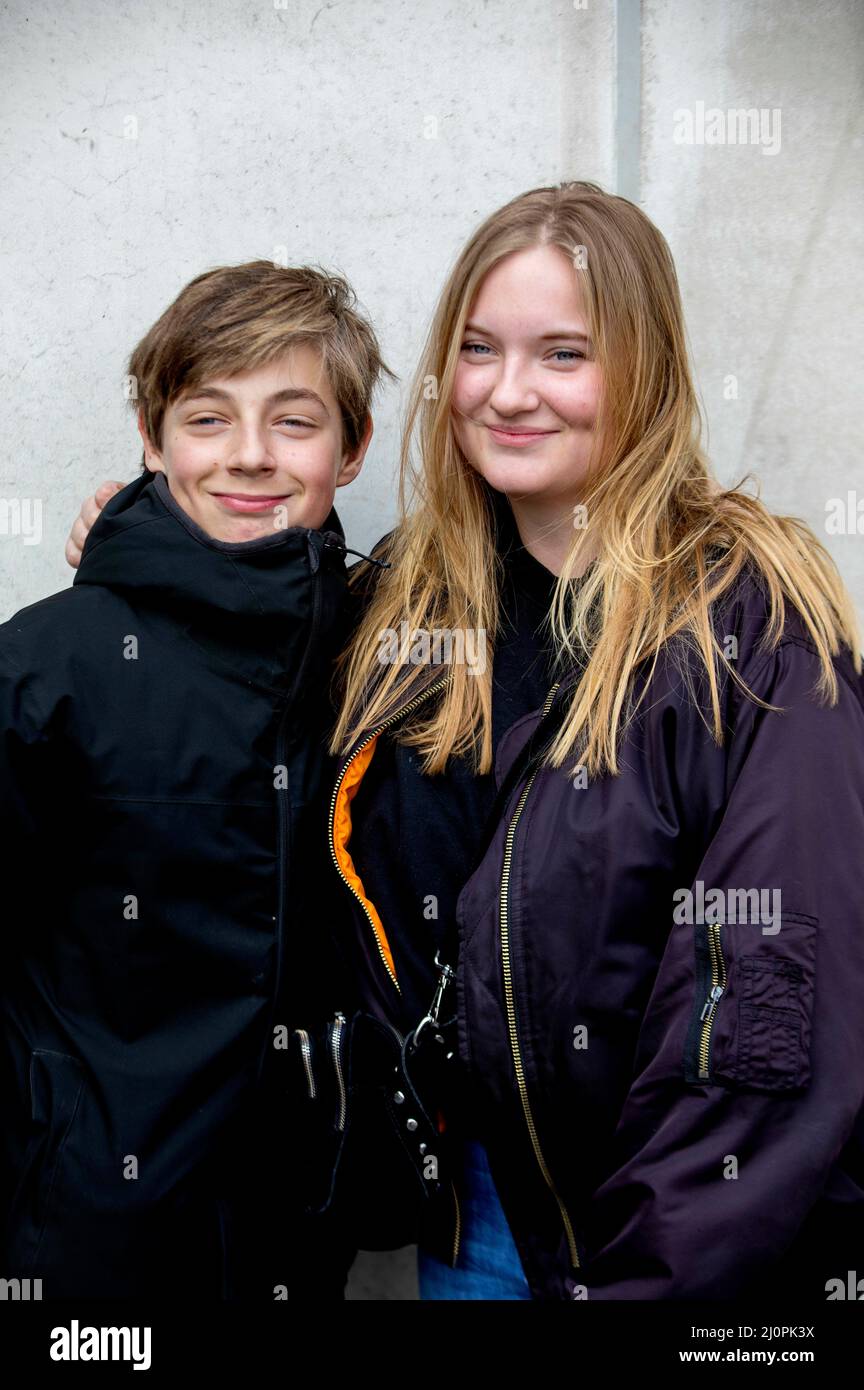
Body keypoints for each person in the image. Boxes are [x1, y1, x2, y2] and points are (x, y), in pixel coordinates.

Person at [67, 181, 864, 1303]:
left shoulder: (747, 630)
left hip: (684, 1234)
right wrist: (144, 539)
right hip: (479, 1211)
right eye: (479, 349)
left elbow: (769, 1020)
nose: (509, 391)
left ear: (645, 369)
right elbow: (241, 655)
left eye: (564, 353)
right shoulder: (404, 607)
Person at [0, 258, 391, 1298]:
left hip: (301, 1241)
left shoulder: (384, 666)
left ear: (352, 449)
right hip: (83, 1247)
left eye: (294, 421)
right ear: (153, 440)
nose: (250, 456)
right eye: (208, 418)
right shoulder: (49, 667)